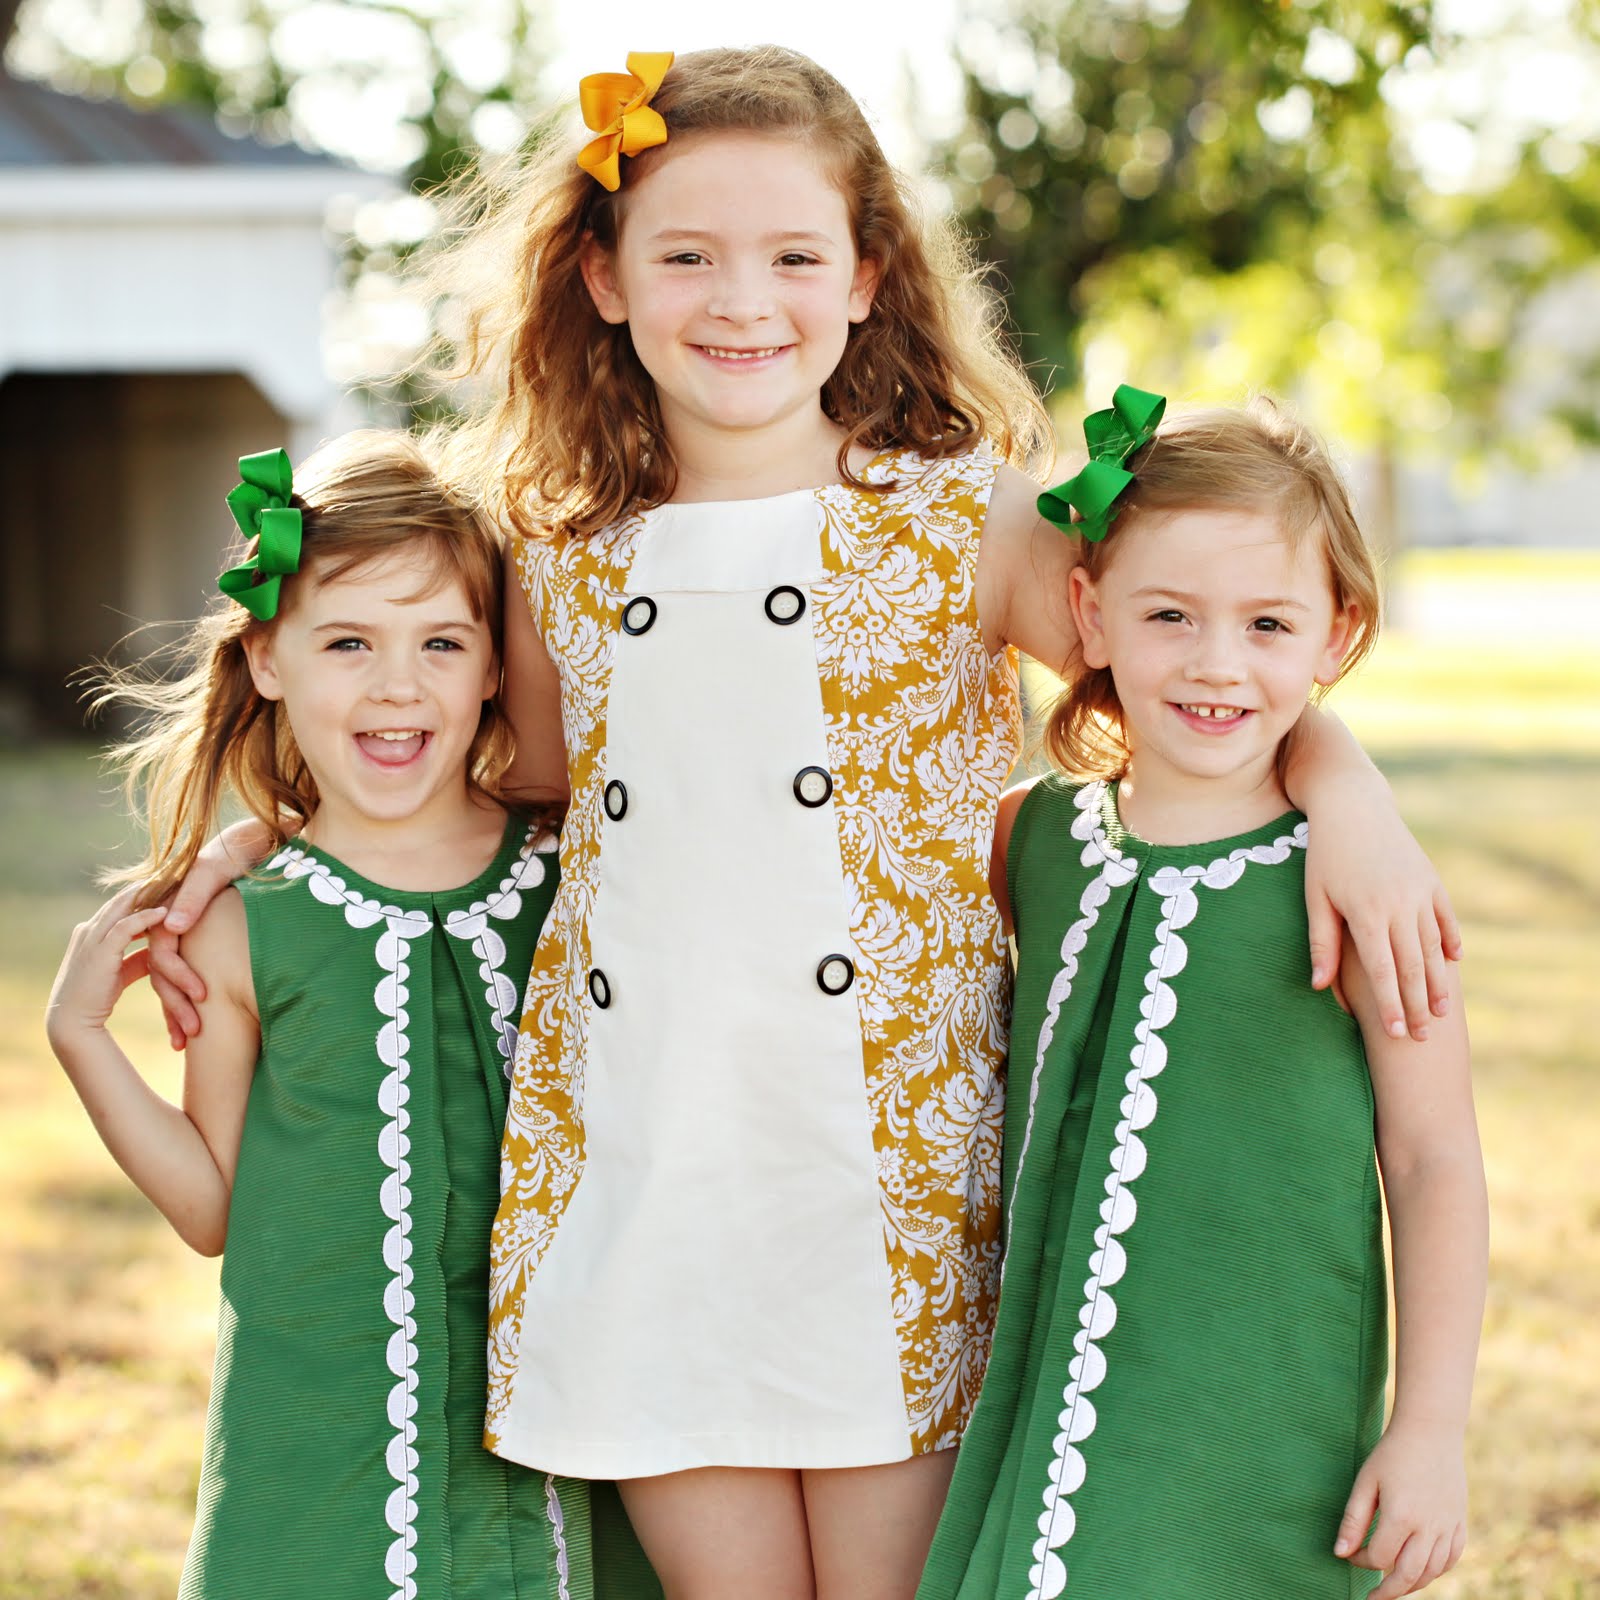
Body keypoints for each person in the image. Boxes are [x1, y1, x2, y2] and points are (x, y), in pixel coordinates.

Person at [148, 50, 1462, 1600]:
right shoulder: (559, 549)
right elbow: (490, 777)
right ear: (605, 278)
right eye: (686, 254)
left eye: (791, 255)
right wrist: (251, 843)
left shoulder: (968, 514)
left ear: (867, 277)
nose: (740, 297)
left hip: (889, 1180)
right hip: (639, 1164)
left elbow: (1188, 662)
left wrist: (1349, 785)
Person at [44, 433, 656, 1600]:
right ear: (267, 658)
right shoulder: (245, 923)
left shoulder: (572, 875)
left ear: (493, 666)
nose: (396, 684)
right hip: (321, 1444)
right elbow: (213, 1205)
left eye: (441, 642)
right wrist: (80, 1038)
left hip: (563, 1436)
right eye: (347, 643)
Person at [918, 392, 1487, 1600]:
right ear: (1090, 615)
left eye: (1268, 622)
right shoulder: (1033, 842)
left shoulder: (1363, 886)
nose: (1216, 662)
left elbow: (1434, 1156)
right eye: (1168, 614)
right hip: (1046, 1385)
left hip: (1259, 1395)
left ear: (1336, 636)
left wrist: (1430, 1426)